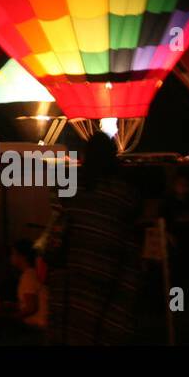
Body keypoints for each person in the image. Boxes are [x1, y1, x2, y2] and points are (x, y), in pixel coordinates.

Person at [44, 132, 142, 345]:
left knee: (75, 327)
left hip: (73, 271)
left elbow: (60, 215)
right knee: (100, 328)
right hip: (107, 270)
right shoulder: (122, 192)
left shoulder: (74, 188)